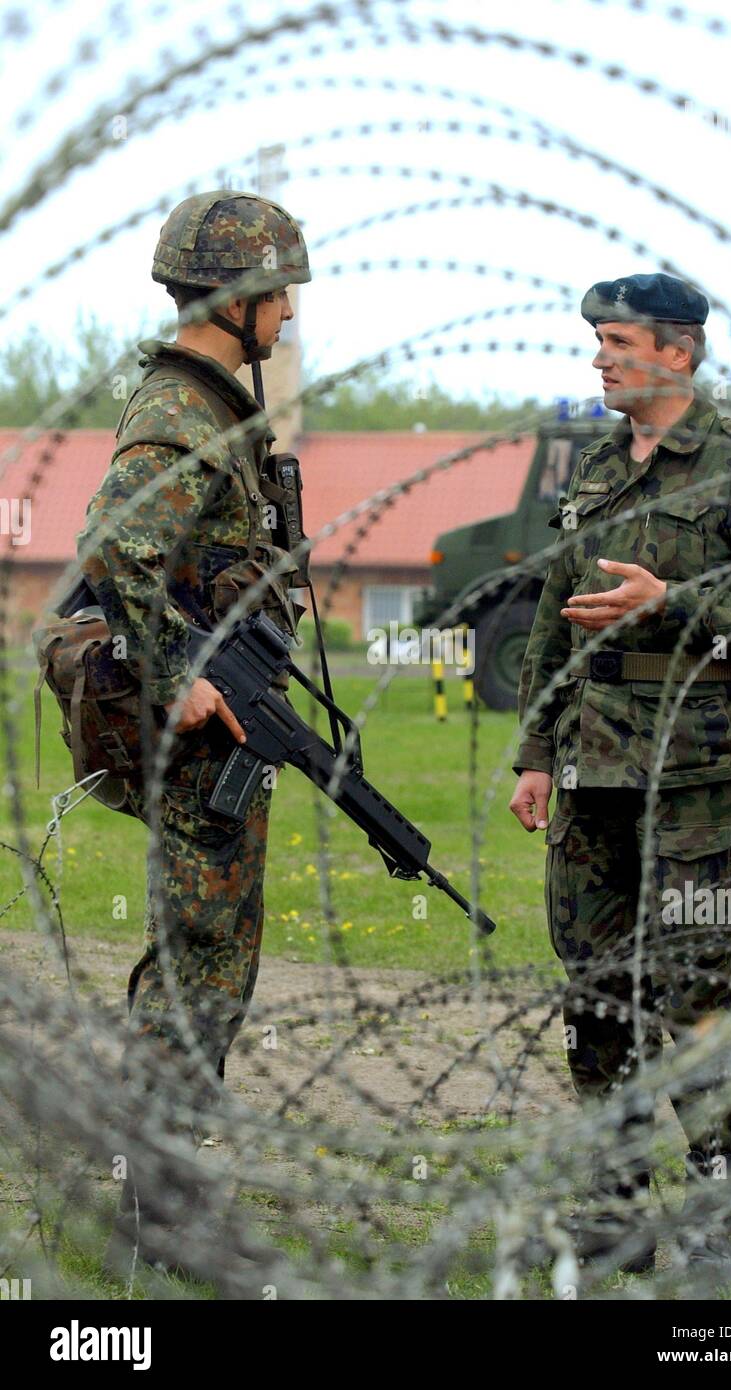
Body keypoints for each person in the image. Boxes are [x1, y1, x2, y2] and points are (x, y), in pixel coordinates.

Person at [509, 272, 731, 1271]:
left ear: (675, 353)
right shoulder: (595, 472)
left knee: (695, 990)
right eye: (594, 338)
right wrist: (534, 754)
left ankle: (716, 1193)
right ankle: (614, 1204)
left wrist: (672, 601)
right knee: (595, 993)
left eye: (614, 338)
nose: (597, 356)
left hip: (697, 785)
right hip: (592, 779)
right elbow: (549, 627)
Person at [75, 190, 310, 1271]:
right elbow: (119, 550)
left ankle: (161, 1191)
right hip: (198, 731)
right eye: (280, 295)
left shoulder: (213, 406)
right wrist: (180, 678)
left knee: (207, 958)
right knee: (197, 965)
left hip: (228, 722)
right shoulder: (180, 409)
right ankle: (157, 1208)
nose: (290, 316)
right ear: (241, 298)